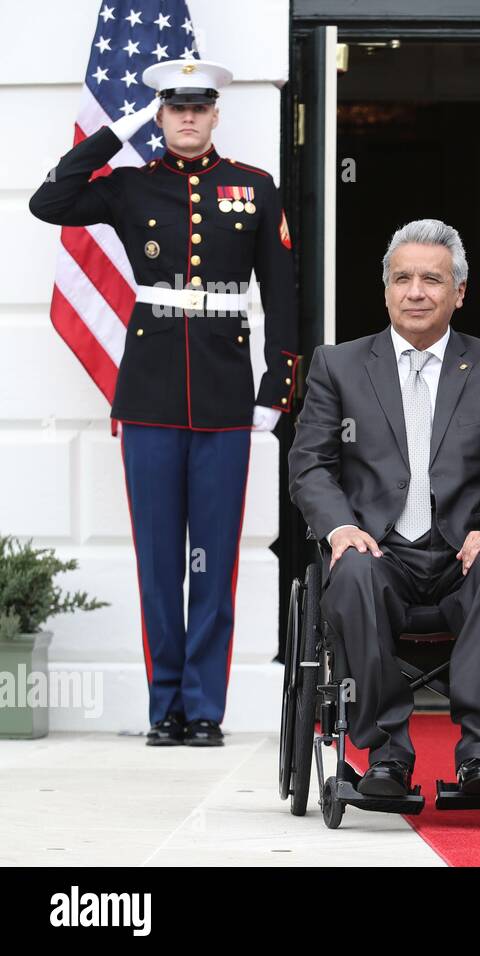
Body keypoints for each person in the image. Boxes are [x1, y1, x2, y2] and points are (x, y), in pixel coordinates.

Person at [29, 60, 298, 747]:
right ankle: (164, 709)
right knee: (159, 560)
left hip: (223, 399)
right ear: (160, 114)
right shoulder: (128, 186)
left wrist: (277, 384)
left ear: (215, 113)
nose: (186, 117)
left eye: (197, 107)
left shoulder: (254, 188)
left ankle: (205, 709)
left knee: (214, 558)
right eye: (172, 108)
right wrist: (118, 132)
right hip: (148, 396)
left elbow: (283, 292)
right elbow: (49, 202)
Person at [288, 219, 480, 798]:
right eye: (401, 278)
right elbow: (310, 465)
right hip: (378, 552)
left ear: (460, 293)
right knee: (350, 569)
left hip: (466, 553)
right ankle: (386, 756)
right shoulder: (339, 365)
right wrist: (340, 529)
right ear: (384, 289)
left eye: (432, 278)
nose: (415, 291)